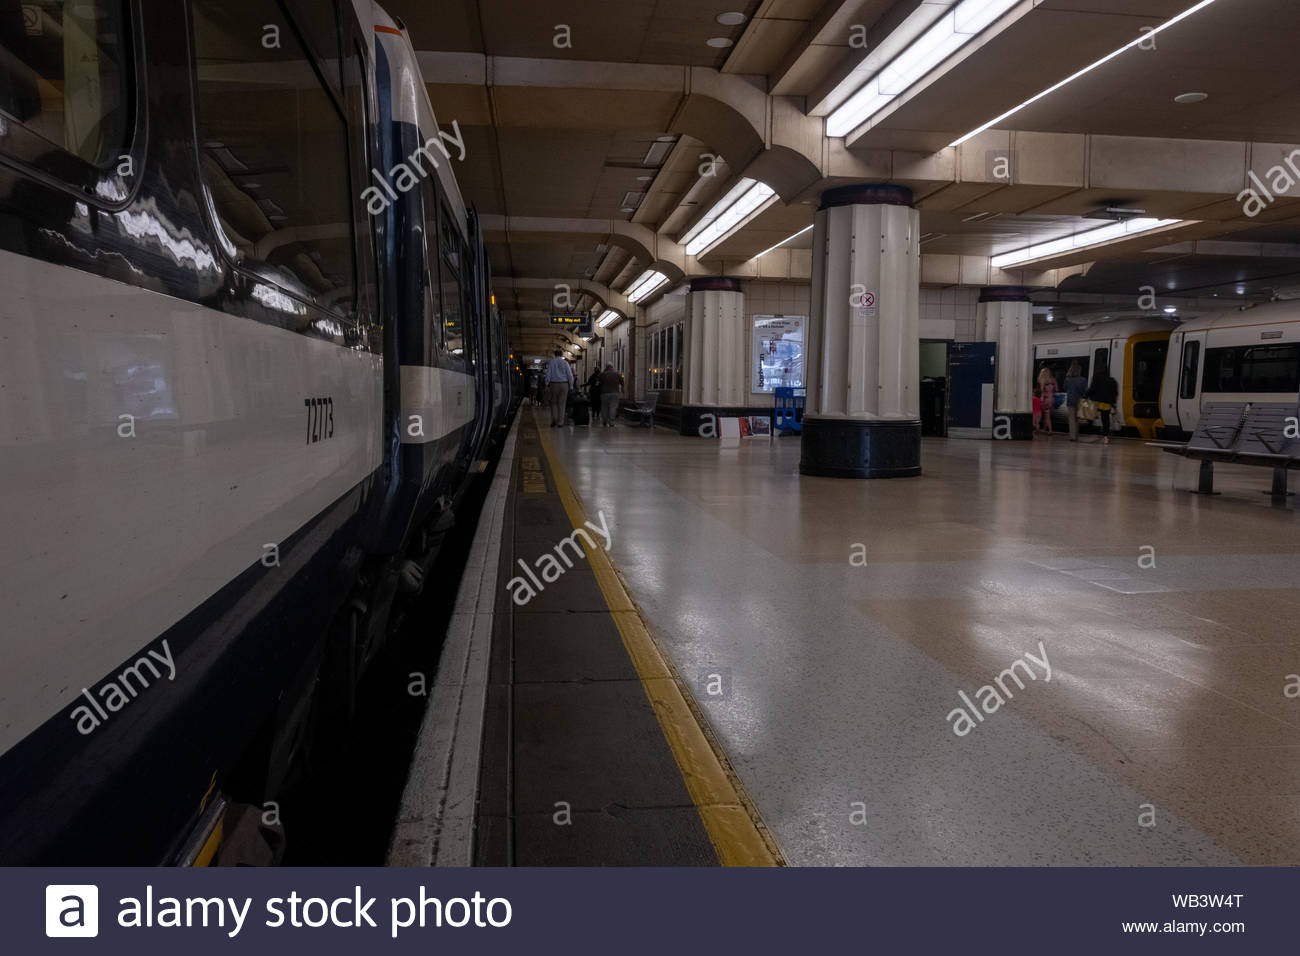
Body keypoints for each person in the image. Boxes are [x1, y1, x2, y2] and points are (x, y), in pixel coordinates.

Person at [1087, 364, 1119, 446]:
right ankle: (1105, 437)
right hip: (1106, 403)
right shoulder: (1112, 380)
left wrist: (1086, 395)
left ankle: (1092, 433)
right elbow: (1115, 393)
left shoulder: (1096, 378)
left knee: (1090, 417)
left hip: (1096, 402)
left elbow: (1092, 389)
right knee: (1105, 420)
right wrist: (1114, 404)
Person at [544, 349, 574, 427]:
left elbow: (548, 374)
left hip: (554, 384)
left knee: (553, 403)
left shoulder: (551, 362)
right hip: (564, 385)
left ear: (555, 354)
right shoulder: (565, 363)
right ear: (561, 355)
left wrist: (546, 384)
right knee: (562, 404)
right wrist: (571, 386)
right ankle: (560, 422)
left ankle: (554, 420)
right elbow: (570, 375)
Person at [1063, 361, 1088, 442]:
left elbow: (1064, 388)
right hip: (1080, 400)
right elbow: (1086, 391)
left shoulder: (1067, 379)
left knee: (1071, 419)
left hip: (1071, 400)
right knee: (1077, 419)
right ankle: (1076, 435)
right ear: (1079, 370)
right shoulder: (1083, 380)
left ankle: (1072, 437)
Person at [1036, 365, 1057, 435]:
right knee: (1047, 415)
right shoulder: (1053, 380)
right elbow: (1056, 390)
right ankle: (1046, 429)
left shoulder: (1043, 380)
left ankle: (1039, 429)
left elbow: (1042, 390)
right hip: (1051, 399)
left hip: (1044, 399)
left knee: (1039, 414)